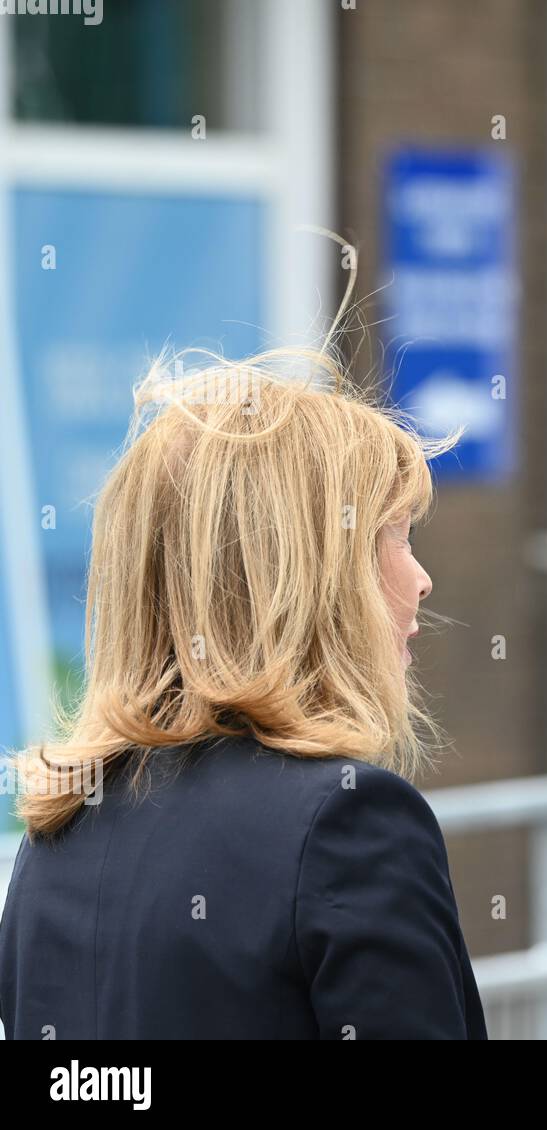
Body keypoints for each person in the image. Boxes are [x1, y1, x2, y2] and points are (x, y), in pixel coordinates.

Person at [0, 339, 488, 1039]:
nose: (420, 579)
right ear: (309, 574)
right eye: (394, 536)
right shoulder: (349, 826)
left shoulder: (58, 832)